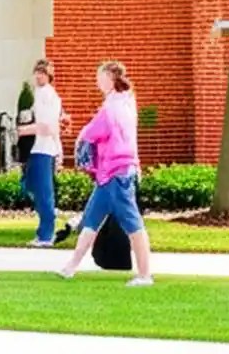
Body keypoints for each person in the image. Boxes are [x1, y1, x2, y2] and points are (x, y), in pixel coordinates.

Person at [58, 61, 154, 286]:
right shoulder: (127, 103)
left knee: (134, 225)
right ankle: (70, 267)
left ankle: (144, 275)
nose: (97, 81)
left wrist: (81, 140)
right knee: (91, 220)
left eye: (100, 77)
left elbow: (91, 132)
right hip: (112, 174)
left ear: (110, 79)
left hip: (115, 175)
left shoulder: (111, 109)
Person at [17, 59, 65, 248]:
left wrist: (22, 130)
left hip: (44, 149)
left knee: (43, 193)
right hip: (36, 148)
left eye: (42, 73)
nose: (38, 76)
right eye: (37, 72)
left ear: (49, 75)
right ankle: (45, 229)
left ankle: (46, 235)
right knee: (30, 186)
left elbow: (48, 127)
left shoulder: (48, 95)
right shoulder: (38, 94)